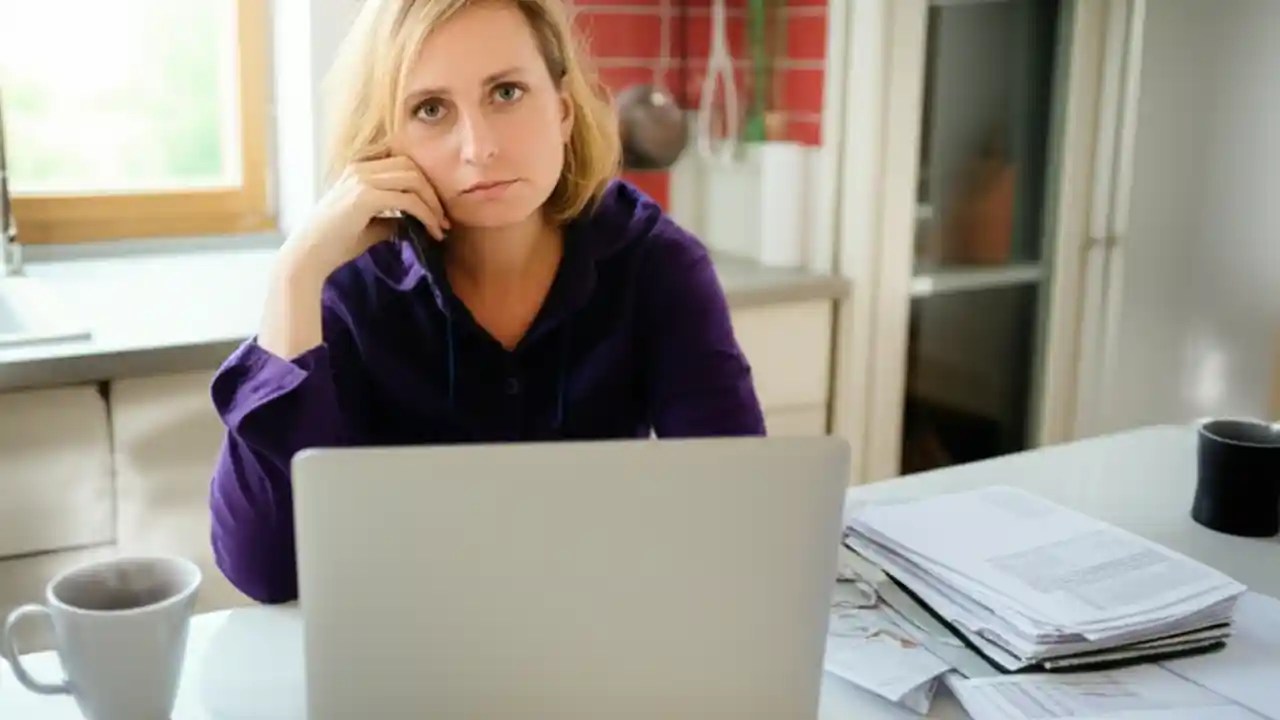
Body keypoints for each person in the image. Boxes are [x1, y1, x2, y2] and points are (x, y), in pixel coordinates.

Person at [209, 0, 766, 605]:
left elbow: (736, 518)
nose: (479, 147)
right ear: (385, 141)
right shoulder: (346, 288)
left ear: (562, 111)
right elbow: (266, 571)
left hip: (597, 630)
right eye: (430, 109)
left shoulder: (655, 264)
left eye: (506, 92)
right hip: (407, 644)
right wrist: (294, 277)